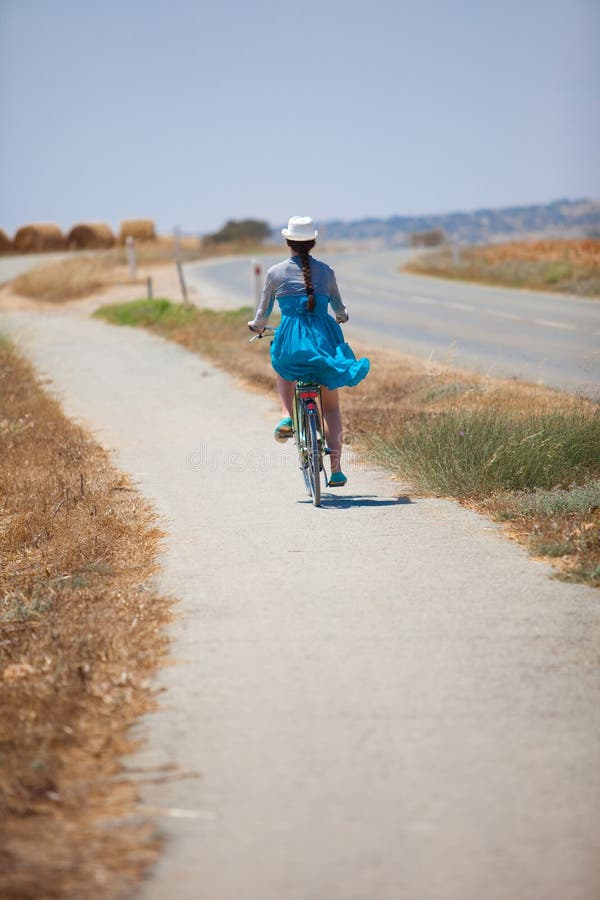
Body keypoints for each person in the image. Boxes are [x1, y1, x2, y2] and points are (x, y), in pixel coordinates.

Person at [248, 215, 370, 486]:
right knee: (331, 409)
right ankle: (336, 468)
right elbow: (339, 308)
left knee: (282, 364)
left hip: (292, 340)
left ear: (288, 241)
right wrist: (342, 315)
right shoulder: (326, 271)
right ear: (313, 242)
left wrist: (255, 326)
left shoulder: (274, 273)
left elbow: (263, 314)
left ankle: (286, 416)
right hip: (324, 341)